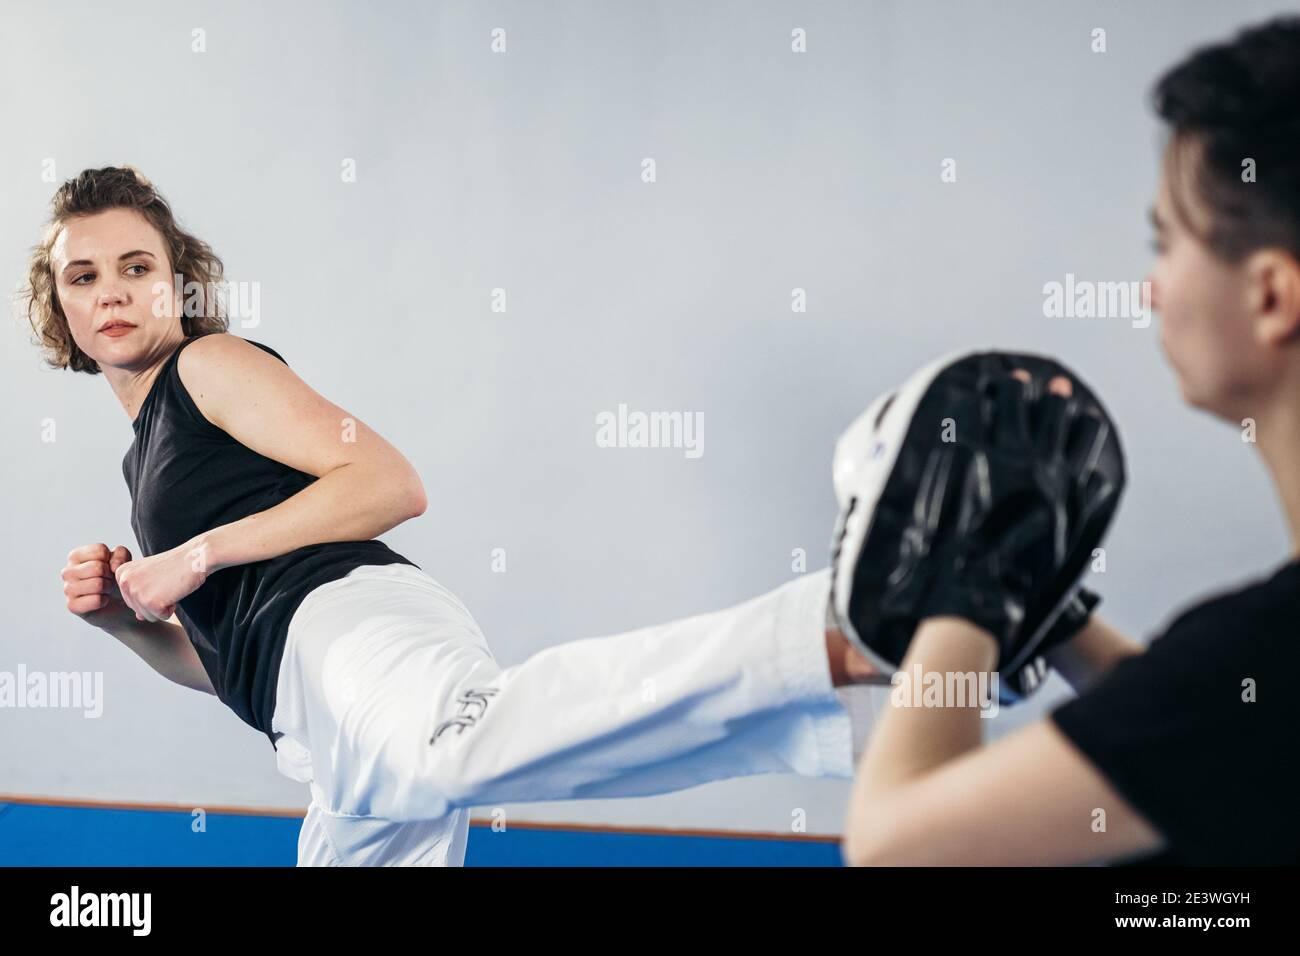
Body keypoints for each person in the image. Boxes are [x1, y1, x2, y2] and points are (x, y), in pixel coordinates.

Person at [27, 165, 885, 866]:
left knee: (466, 745)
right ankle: (822, 656)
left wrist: (198, 554)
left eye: (137, 267)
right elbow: (234, 662)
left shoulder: (211, 366)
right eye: (84, 275)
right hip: (307, 711)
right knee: (450, 764)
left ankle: (828, 632)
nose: (114, 293)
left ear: (177, 283)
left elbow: (389, 482)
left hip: (355, 630)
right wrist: (125, 627)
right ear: (60, 308)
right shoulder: (142, 458)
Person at [841, 16, 1300, 867]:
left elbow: (893, 846)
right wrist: (1052, 607)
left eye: (1167, 243)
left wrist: (971, 585)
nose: (1150, 288)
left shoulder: (1265, 655)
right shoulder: (1250, 677)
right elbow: (1193, 735)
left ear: (1271, 295)